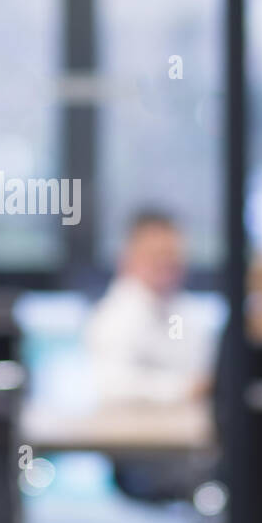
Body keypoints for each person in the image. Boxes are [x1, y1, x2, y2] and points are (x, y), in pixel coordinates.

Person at [86, 210, 216, 502]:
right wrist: (184, 389)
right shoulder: (116, 315)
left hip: (191, 445)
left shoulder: (183, 311)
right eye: (157, 254)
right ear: (129, 258)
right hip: (143, 458)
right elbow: (113, 386)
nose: (168, 263)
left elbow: (203, 370)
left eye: (173, 254)